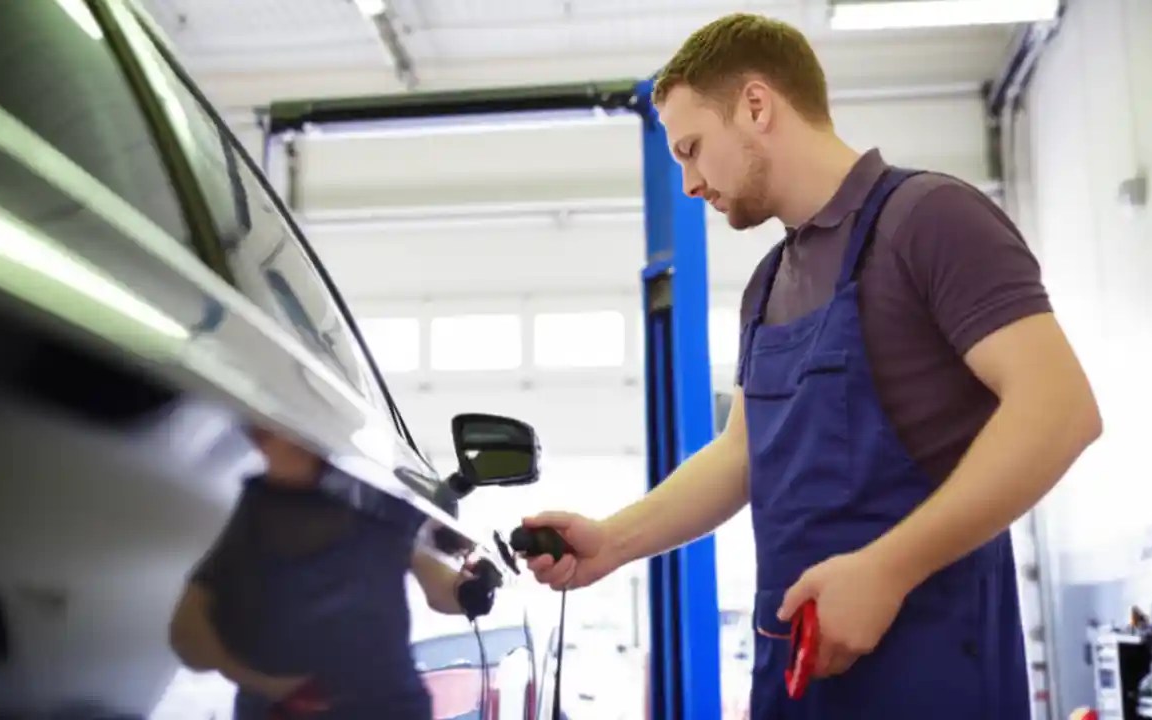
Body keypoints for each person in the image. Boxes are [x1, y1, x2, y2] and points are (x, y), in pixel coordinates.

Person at [521, 12, 1102, 719]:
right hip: (797, 676)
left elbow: (1060, 409)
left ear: (757, 106)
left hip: (931, 675)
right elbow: (741, 455)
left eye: (693, 149)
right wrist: (612, 541)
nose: (689, 183)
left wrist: (890, 568)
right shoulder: (768, 283)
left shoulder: (930, 218)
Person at [168, 427, 476, 719]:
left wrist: (468, 582)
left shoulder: (382, 507)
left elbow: (445, 592)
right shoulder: (257, 512)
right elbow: (187, 636)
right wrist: (268, 683)